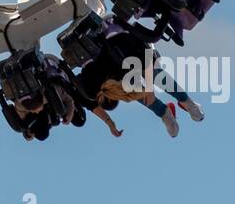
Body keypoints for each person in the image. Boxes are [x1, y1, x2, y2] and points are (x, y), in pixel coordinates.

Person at [76, 21, 205, 139]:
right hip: (124, 50)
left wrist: (149, 89)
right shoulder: (104, 84)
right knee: (136, 85)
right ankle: (167, 111)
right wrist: (109, 123)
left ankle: (185, 102)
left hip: (123, 38)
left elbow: (146, 59)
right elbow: (92, 105)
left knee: (153, 76)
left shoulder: (97, 80)